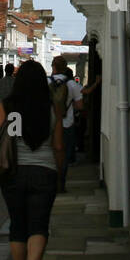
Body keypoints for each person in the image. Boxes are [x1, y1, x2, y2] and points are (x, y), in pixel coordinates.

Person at [0, 59, 64, 260]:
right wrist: (60, 173)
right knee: (39, 224)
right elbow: (58, 146)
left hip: (14, 172)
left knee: (18, 224)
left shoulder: (8, 107)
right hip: (44, 171)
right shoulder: (51, 107)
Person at [50, 57, 84, 187]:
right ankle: (61, 181)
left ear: (53, 67)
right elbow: (80, 106)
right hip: (67, 123)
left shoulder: (47, 82)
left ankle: (52, 179)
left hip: (51, 124)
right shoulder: (72, 84)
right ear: (65, 68)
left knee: (52, 152)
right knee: (63, 154)